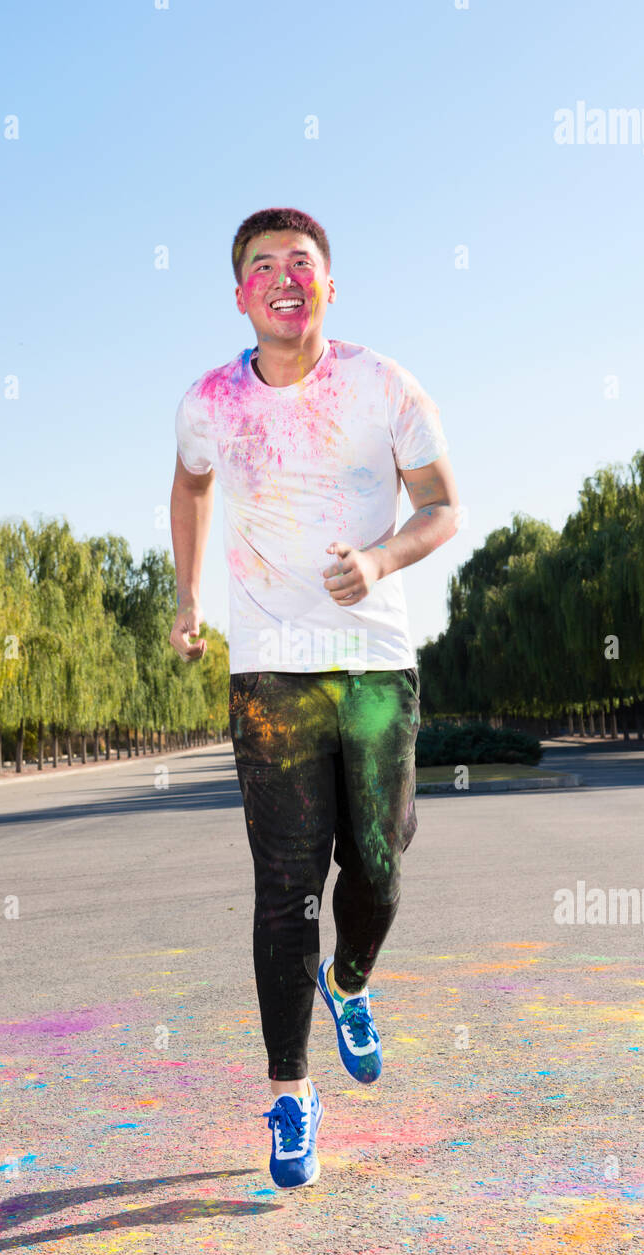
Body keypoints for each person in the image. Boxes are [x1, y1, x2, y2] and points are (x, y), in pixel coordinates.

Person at [170, 207, 460, 1188]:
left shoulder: (385, 385)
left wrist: (380, 558)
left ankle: (350, 981)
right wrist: (187, 597)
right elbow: (191, 482)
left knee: (380, 861)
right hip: (267, 671)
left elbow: (443, 505)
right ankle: (291, 1095)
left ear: (331, 284)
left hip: (375, 665)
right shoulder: (210, 399)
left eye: (302, 262)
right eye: (262, 265)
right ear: (239, 292)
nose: (284, 277)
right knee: (287, 885)